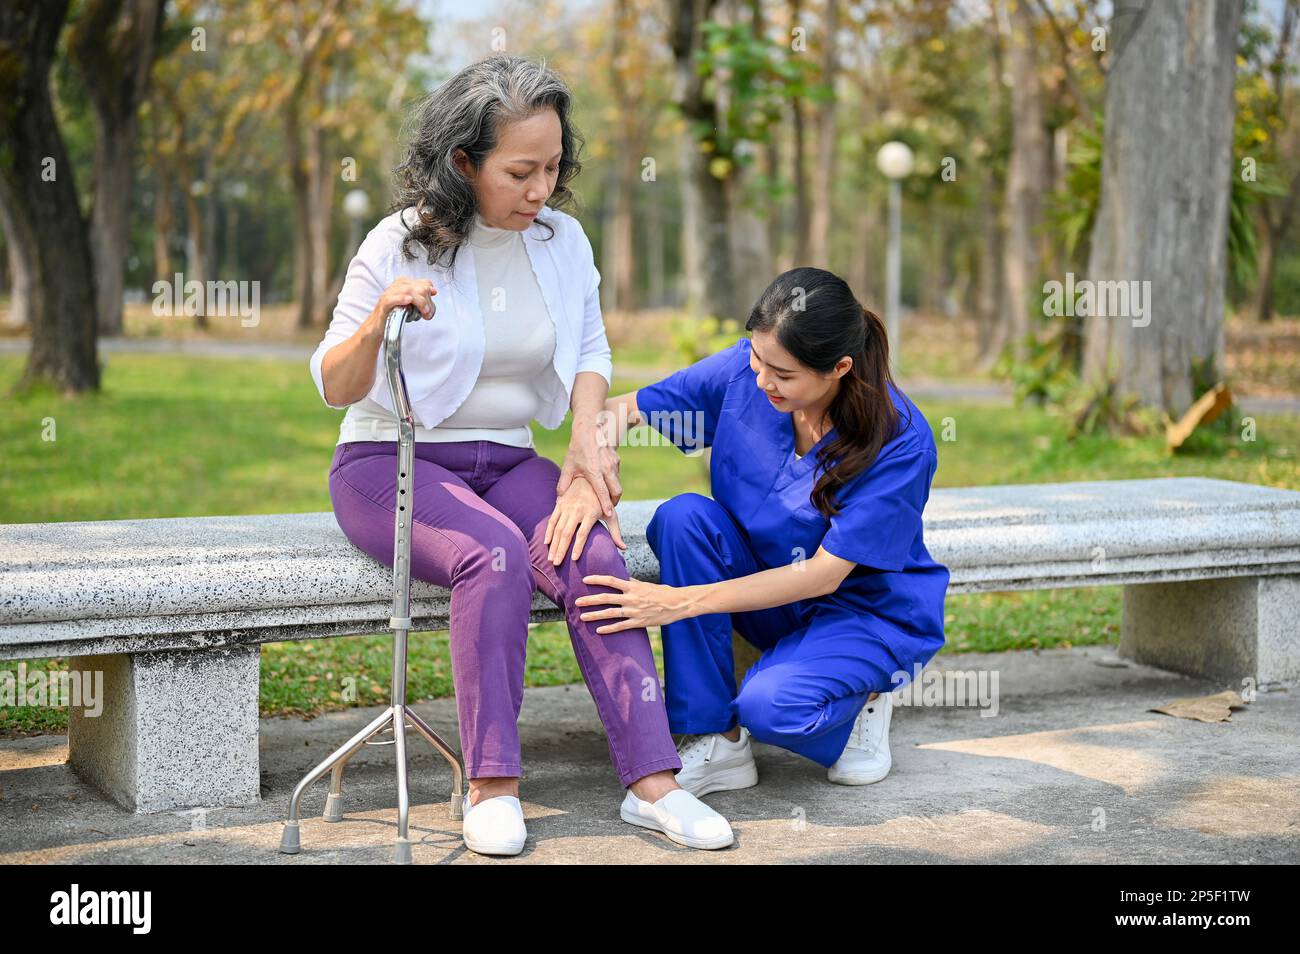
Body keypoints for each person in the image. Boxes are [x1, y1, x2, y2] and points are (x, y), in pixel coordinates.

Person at [309, 54, 733, 856]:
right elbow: (334, 382)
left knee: (594, 551)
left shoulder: (561, 241)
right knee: (495, 554)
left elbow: (589, 349)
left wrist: (584, 447)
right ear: (463, 163)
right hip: (387, 464)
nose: (541, 188)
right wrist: (379, 321)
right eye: (520, 171)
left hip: (507, 459)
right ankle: (492, 784)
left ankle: (655, 784)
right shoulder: (398, 242)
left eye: (552, 166)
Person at [569, 267, 950, 794]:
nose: (762, 381)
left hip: (862, 612)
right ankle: (715, 736)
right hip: (768, 592)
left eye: (783, 374)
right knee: (683, 518)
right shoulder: (746, 372)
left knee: (769, 707)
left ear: (839, 367)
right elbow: (622, 411)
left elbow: (823, 576)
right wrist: (591, 472)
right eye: (756, 359)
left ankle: (864, 699)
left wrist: (677, 603)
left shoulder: (900, 441)